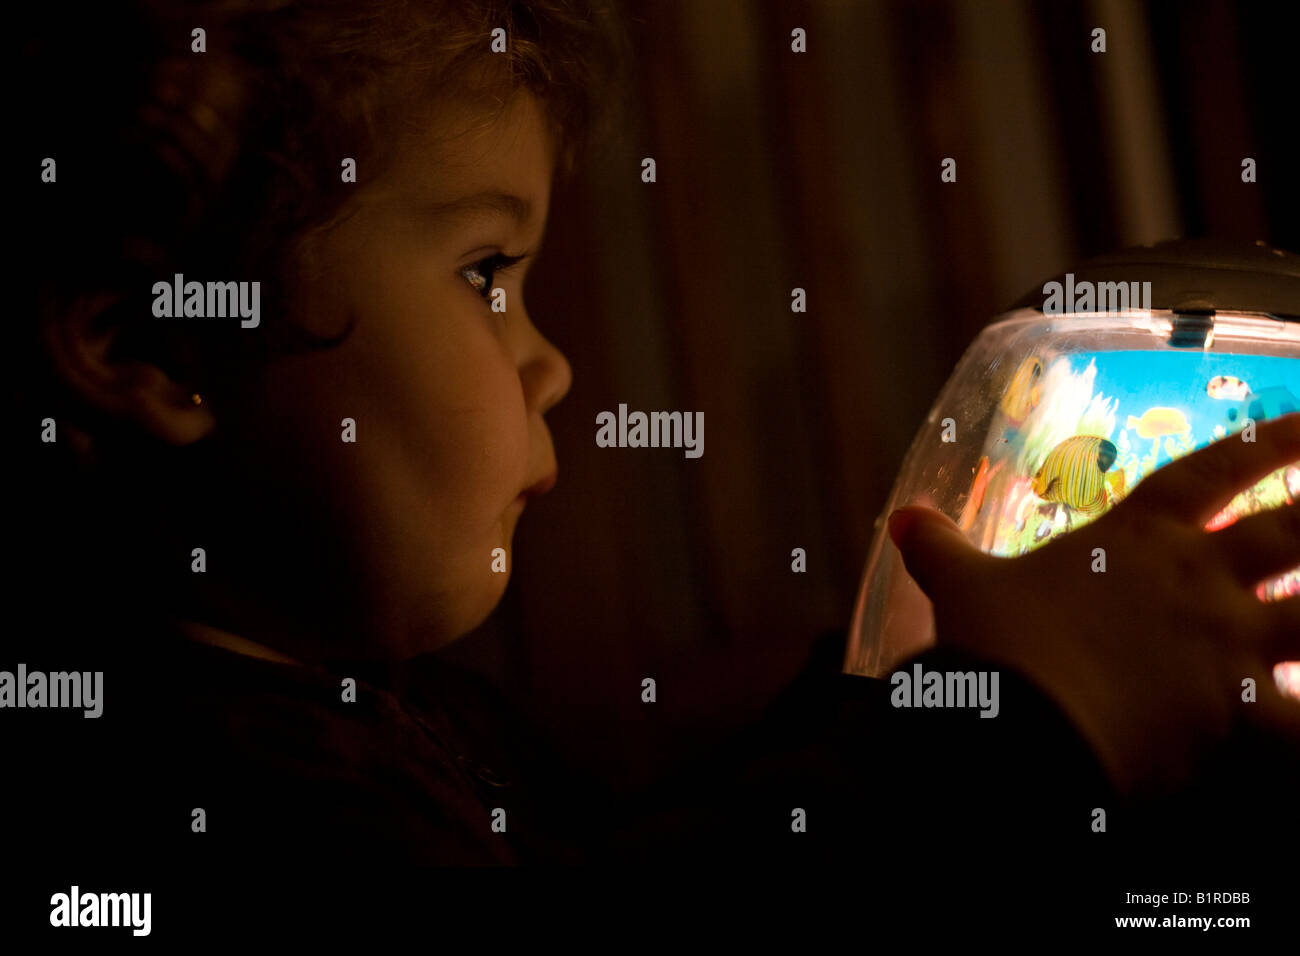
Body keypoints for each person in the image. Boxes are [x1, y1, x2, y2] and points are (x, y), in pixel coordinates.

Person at [10, 0, 1298, 909]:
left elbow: (681, 852)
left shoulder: (405, 715)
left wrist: (908, 693)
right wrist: (1025, 722)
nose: (553, 365)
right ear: (155, 342)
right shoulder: (175, 793)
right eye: (485, 274)